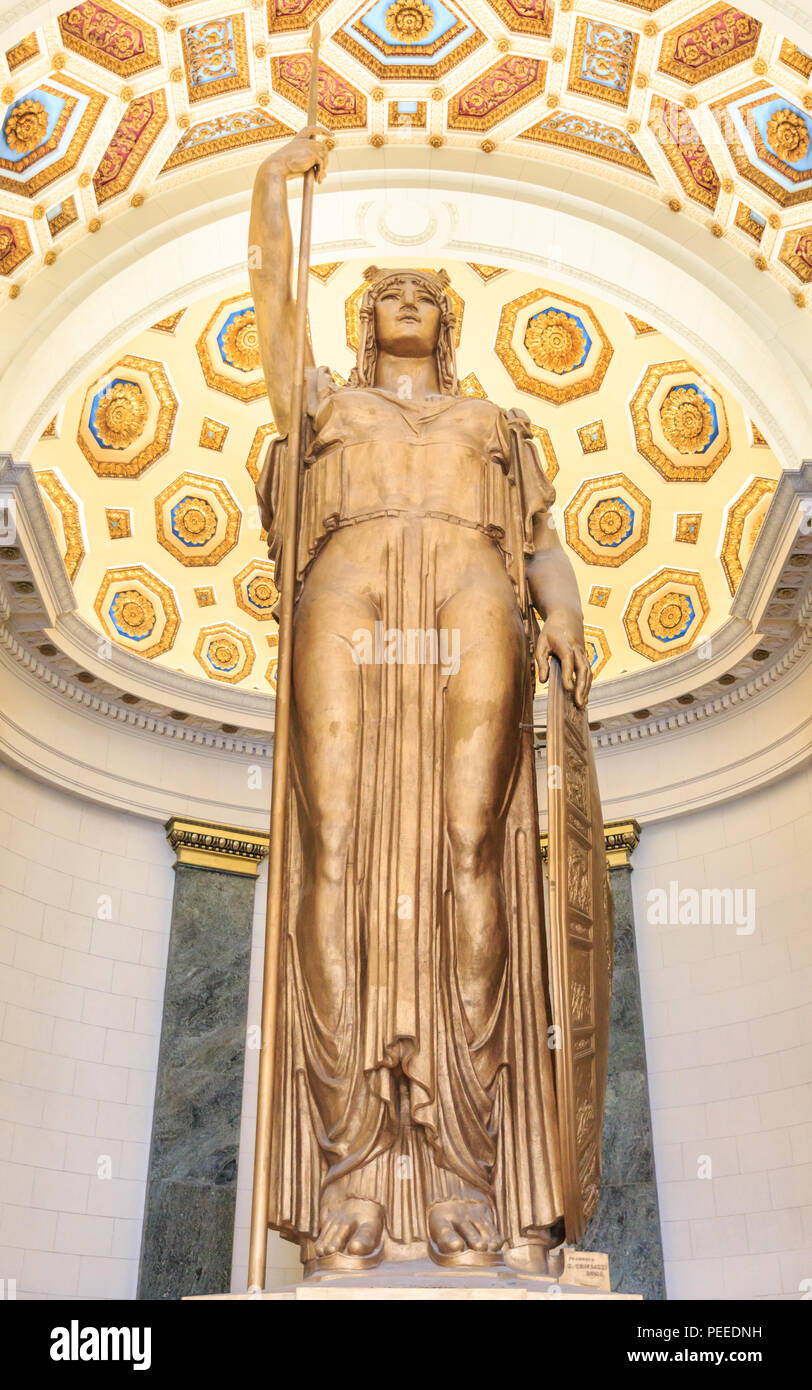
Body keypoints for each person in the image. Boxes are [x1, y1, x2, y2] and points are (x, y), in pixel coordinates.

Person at [249, 126, 593, 1271]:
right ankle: (351, 1168)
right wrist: (267, 188)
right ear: (364, 318)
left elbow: (537, 544)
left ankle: (460, 1163)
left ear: (449, 321)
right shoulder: (321, 408)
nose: (403, 296)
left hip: (467, 590)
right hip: (347, 584)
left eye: (422, 290)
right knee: (335, 850)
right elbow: (274, 308)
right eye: (384, 288)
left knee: (467, 851)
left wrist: (567, 613)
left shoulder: (492, 426)